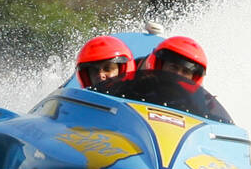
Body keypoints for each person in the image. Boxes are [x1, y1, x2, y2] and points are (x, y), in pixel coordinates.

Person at [97, 36, 234, 124]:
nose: (178, 75)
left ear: (194, 78)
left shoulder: (201, 103)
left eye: (185, 72)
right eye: (173, 68)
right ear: (160, 65)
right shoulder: (133, 83)